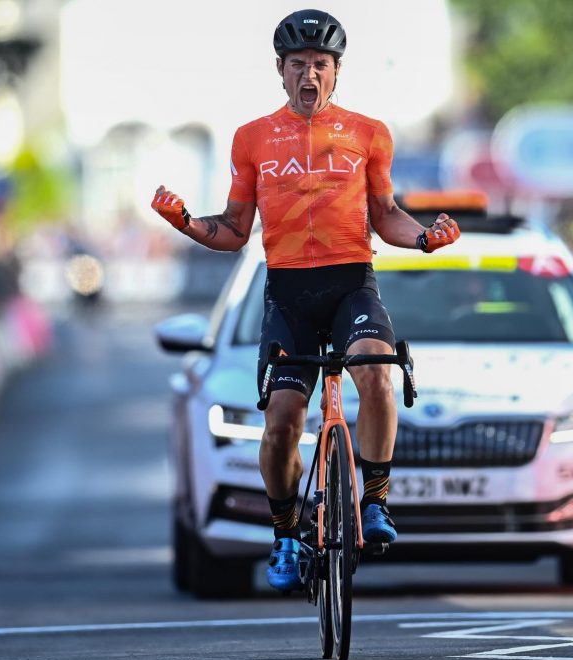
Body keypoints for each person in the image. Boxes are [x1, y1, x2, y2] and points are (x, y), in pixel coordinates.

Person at [151, 8, 460, 591]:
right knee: (283, 425)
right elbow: (235, 229)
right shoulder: (253, 138)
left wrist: (423, 239)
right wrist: (186, 221)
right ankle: (286, 533)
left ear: (337, 72)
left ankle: (374, 503)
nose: (310, 75)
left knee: (377, 371)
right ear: (281, 70)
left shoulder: (370, 133)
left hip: (351, 282)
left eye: (321, 64)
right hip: (289, 292)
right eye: (299, 65)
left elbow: (386, 215)